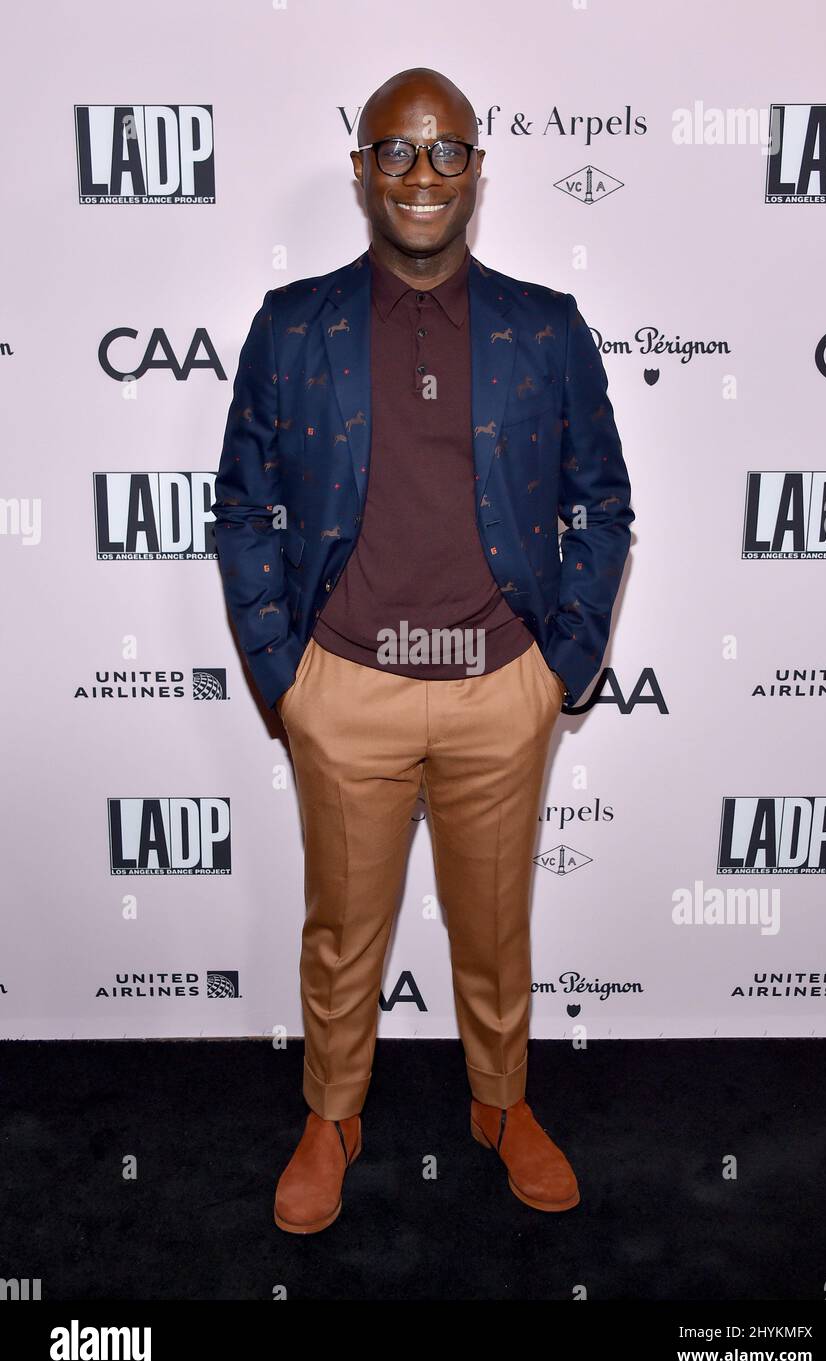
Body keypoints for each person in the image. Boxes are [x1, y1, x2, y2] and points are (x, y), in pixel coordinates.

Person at [212, 66, 635, 1234]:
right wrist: (281, 674)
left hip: (501, 687)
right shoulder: (291, 324)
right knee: (342, 935)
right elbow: (243, 506)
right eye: (396, 151)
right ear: (359, 171)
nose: (421, 174)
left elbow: (601, 503)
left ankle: (500, 1105)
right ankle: (332, 1116)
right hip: (342, 688)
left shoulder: (543, 328)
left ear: (478, 171)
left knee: (496, 930)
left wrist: (560, 664)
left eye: (446, 150)